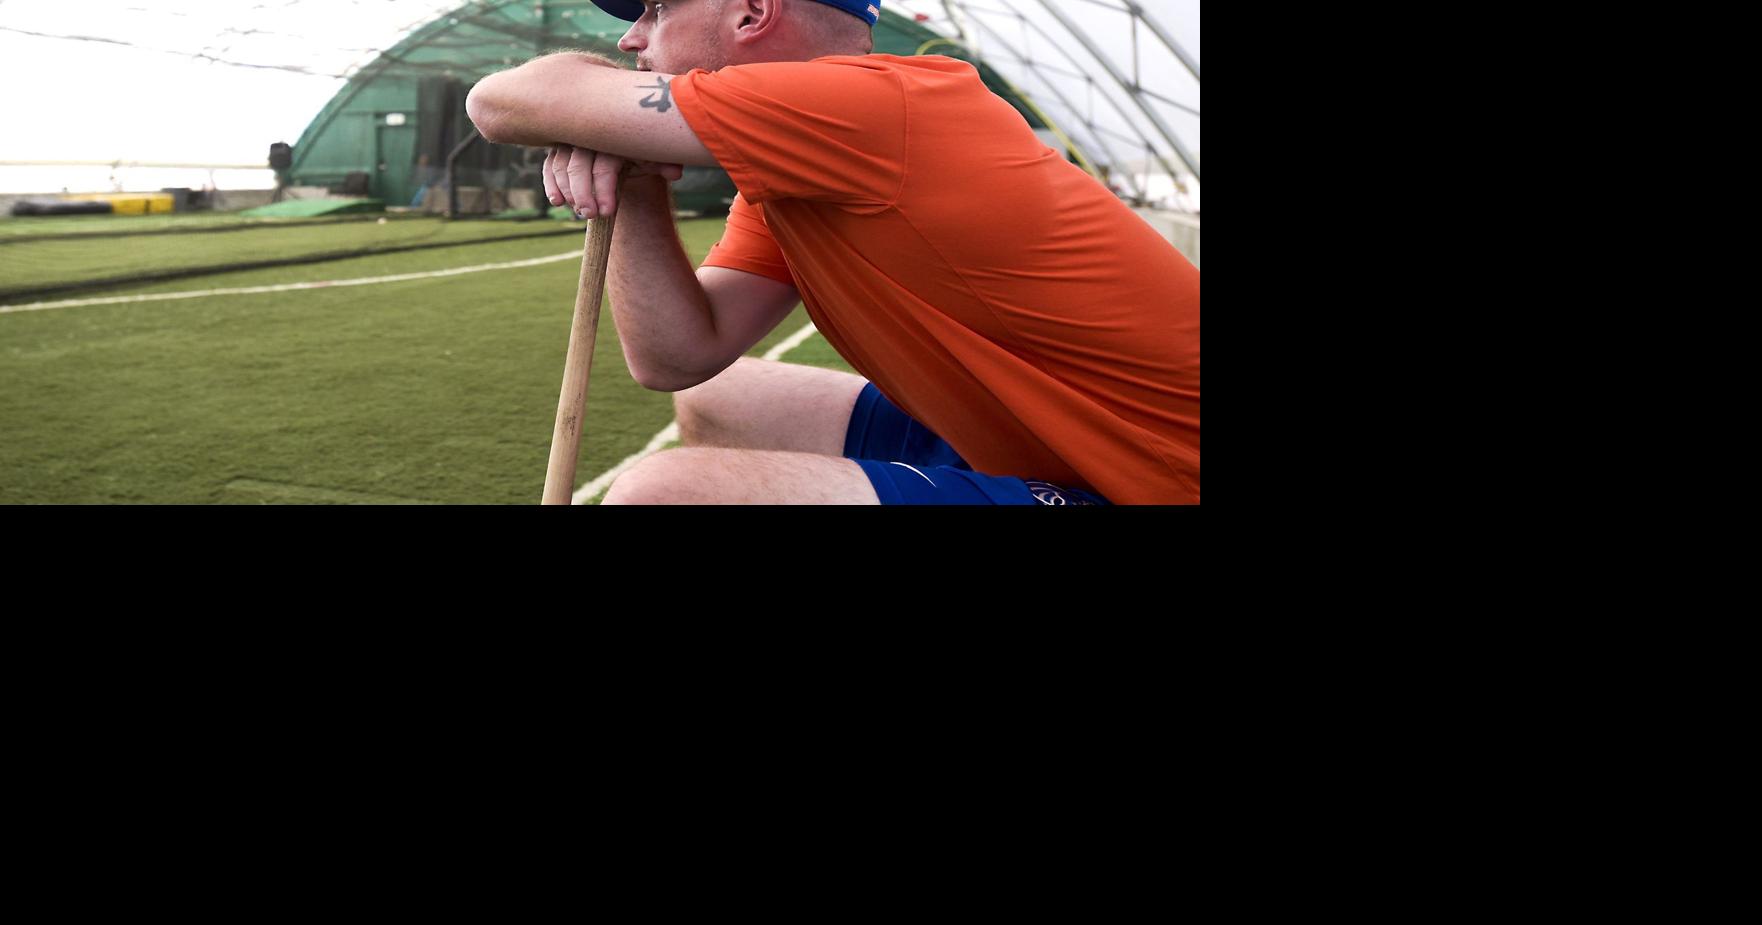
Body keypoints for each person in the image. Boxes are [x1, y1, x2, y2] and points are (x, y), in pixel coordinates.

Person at [464, 0, 1199, 504]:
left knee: (664, 493)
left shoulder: (865, 104)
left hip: (1163, 479)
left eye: (658, 8)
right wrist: (633, 184)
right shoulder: (802, 154)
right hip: (1059, 438)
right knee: (722, 395)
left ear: (752, 11)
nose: (633, 40)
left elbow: (500, 99)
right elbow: (676, 356)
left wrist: (594, 112)